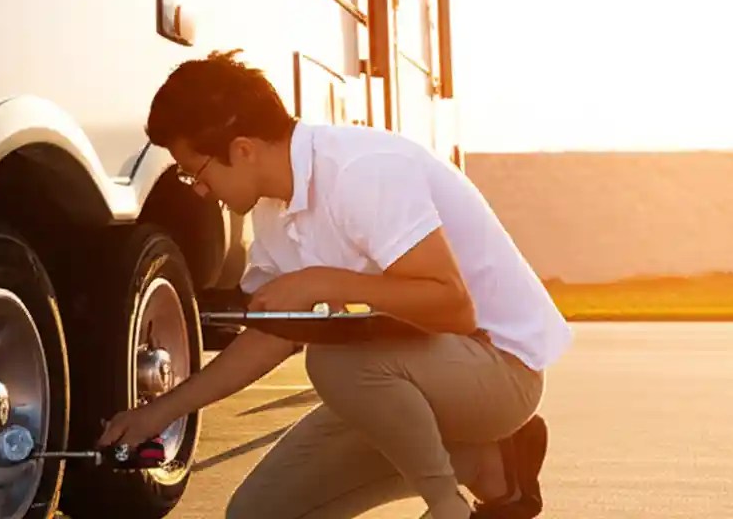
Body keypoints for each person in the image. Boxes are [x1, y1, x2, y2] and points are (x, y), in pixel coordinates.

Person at [97, 50, 573, 519]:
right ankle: (490, 463)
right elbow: (272, 336)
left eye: (195, 171)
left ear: (242, 150)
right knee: (256, 514)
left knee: (335, 360)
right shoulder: (273, 214)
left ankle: (446, 506)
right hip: (411, 374)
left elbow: (453, 307)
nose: (199, 190)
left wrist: (325, 282)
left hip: (500, 371)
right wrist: (159, 413)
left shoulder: (361, 171)